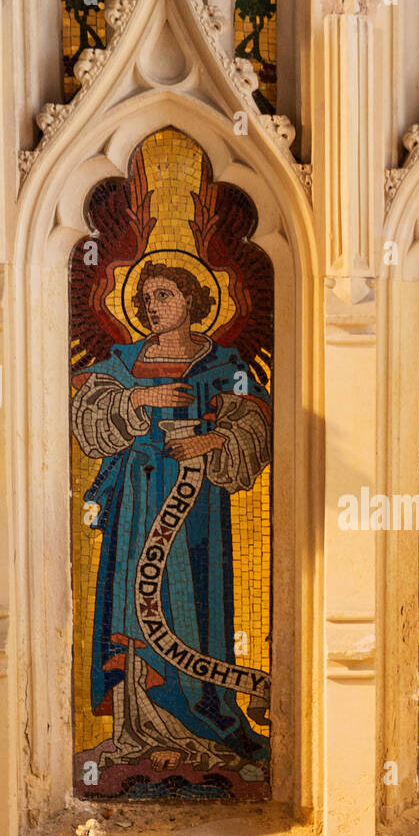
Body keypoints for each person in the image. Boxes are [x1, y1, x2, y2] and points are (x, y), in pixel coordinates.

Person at [72, 260, 271, 776]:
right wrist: (138, 397)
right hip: (135, 505)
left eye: (163, 295)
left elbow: (256, 422)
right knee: (131, 607)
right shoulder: (125, 360)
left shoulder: (222, 364)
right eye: (144, 299)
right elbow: (87, 413)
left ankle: (197, 723)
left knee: (193, 605)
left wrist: (216, 439)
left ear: (192, 300)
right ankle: (138, 728)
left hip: (196, 509)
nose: (151, 307)